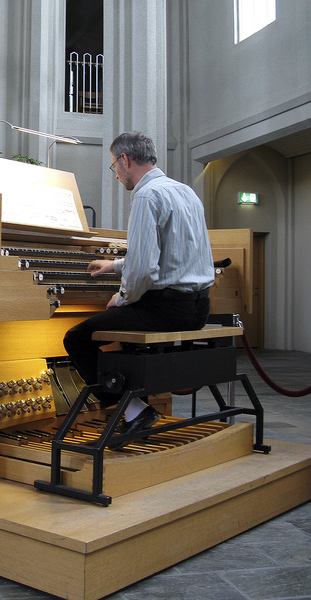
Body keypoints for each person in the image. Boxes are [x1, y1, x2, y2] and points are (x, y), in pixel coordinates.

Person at [63, 131, 215, 435]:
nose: (116, 175)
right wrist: (116, 264)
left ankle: (133, 410)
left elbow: (144, 270)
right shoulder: (184, 191)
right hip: (198, 307)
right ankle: (135, 406)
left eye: (114, 167)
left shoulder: (146, 195)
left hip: (167, 310)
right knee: (121, 328)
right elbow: (175, 253)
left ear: (124, 159)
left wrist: (121, 297)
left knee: (76, 338)